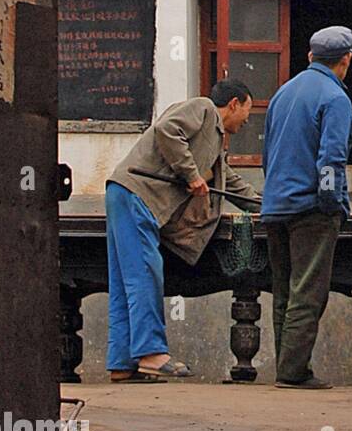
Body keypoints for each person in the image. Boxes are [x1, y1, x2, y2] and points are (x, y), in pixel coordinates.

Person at [105, 79, 261, 381]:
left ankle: (122, 363)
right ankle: (151, 354)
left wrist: (264, 207)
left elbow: (228, 181)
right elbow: (167, 130)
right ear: (233, 104)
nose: (247, 120)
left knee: (125, 282)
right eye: (247, 111)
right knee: (144, 274)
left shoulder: (214, 142)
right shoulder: (202, 109)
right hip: (137, 194)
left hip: (124, 193)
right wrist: (191, 175)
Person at [261, 25, 352, 390]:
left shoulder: (282, 94)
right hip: (310, 209)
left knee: (284, 289)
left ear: (310, 57)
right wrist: (331, 204)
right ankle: (293, 371)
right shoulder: (335, 97)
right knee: (307, 291)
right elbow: (331, 160)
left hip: (276, 207)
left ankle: (287, 364)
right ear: (345, 60)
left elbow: (268, 156)